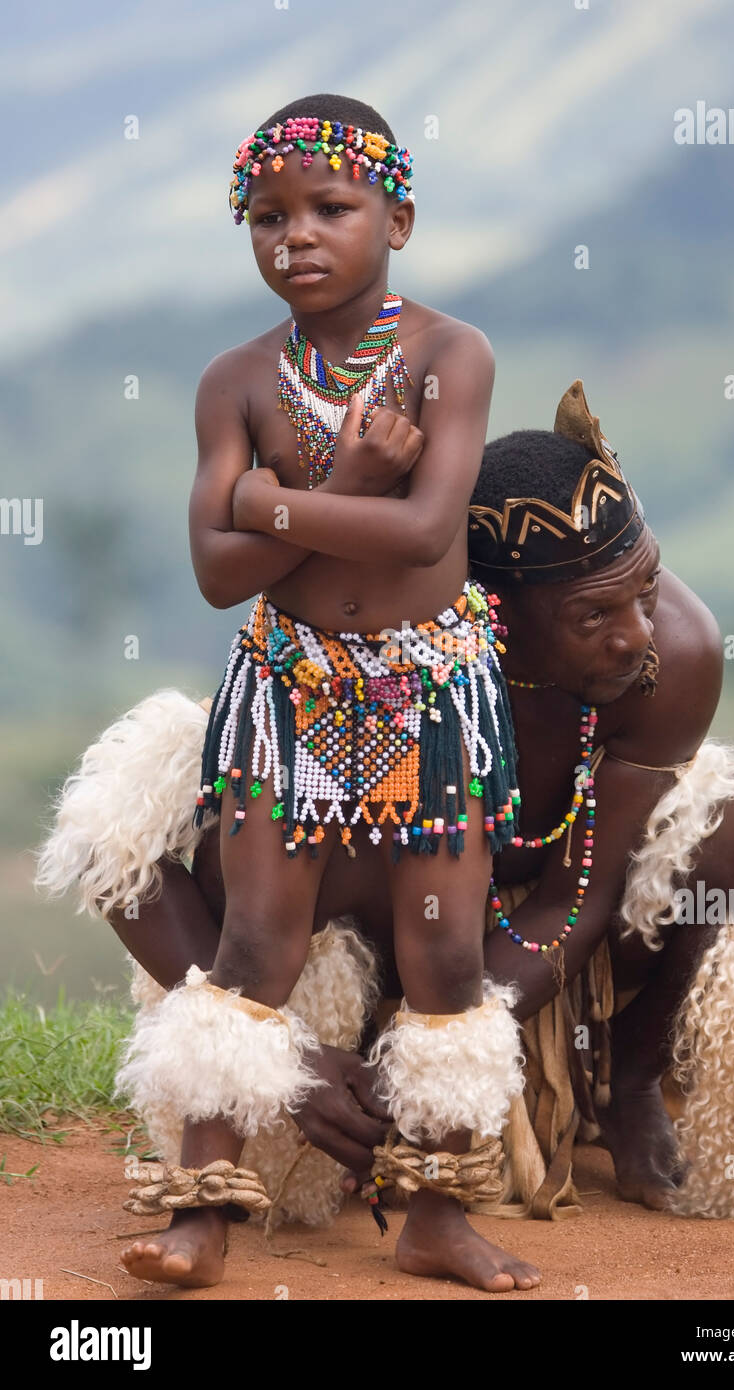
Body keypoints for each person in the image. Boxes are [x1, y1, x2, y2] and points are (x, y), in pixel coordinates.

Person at [35, 381, 734, 1252]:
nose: (638, 636)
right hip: (395, 928)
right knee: (243, 852)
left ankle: (629, 1075)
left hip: (559, 929)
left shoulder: (674, 653)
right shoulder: (382, 633)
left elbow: (576, 895)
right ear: (490, 618)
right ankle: (307, 1105)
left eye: (647, 588)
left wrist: (438, 1066)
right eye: (595, 616)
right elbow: (112, 855)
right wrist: (284, 1058)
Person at [96, 91, 538, 1294]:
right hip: (286, 698)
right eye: (266, 215)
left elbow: (424, 528)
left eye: (328, 209)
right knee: (253, 944)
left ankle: (437, 1216)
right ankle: (200, 1213)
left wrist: (267, 501)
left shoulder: (450, 357)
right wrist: (342, 476)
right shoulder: (235, 380)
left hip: (431, 697)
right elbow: (214, 574)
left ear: (395, 214)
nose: (294, 236)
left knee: (443, 958)